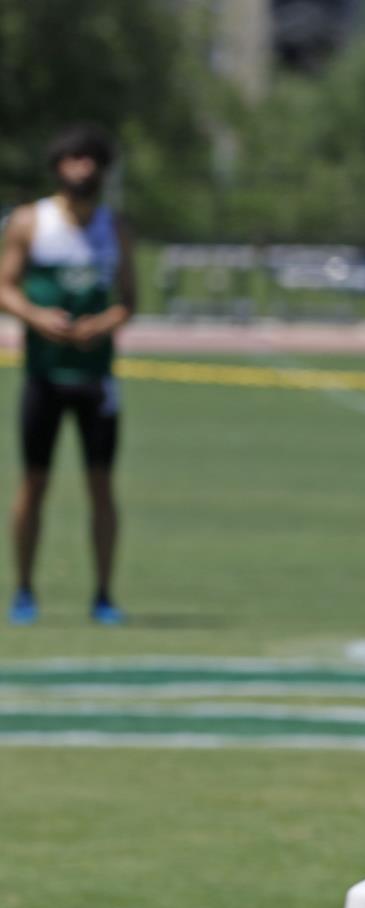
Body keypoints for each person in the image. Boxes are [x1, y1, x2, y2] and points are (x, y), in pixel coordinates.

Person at [0, 124, 137, 626]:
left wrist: (102, 325)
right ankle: (23, 590)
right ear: (58, 166)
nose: (81, 169)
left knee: (101, 485)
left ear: (101, 169)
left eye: (90, 161)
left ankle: (103, 594)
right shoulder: (30, 221)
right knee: (33, 483)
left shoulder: (114, 227)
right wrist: (38, 317)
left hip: (96, 378)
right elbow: (5, 287)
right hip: (44, 375)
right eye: (71, 159)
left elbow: (130, 301)